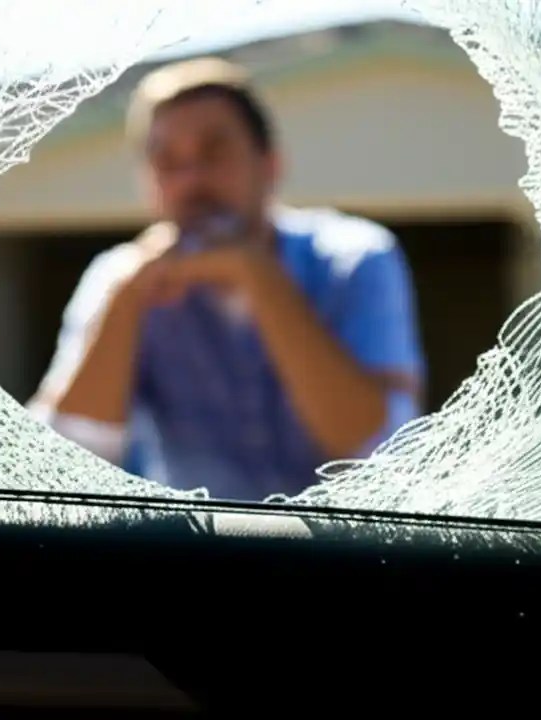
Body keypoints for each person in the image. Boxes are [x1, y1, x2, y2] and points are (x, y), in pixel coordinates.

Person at [30, 56, 425, 500]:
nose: (192, 179)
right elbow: (70, 458)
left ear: (270, 164)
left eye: (214, 153)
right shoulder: (119, 279)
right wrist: (126, 302)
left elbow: (376, 448)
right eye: (167, 162)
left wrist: (256, 275)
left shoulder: (355, 259)